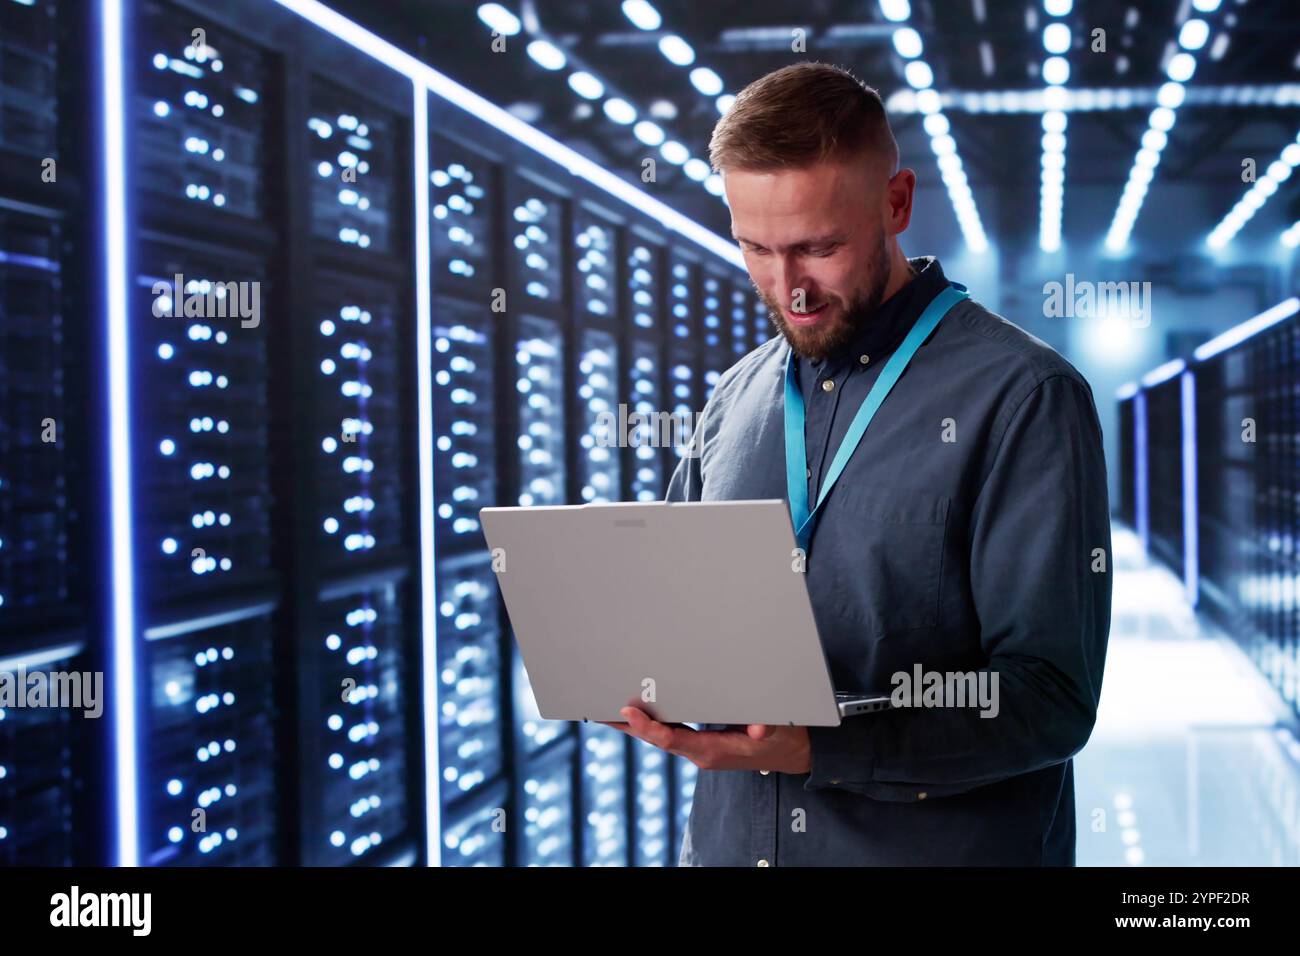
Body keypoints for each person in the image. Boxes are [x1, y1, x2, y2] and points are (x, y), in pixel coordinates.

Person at [600, 62, 1112, 866]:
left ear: (896, 203)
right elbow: (677, 618)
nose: (787, 288)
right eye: (756, 249)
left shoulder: (1023, 397)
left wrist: (823, 746)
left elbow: (1052, 701)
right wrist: (630, 667)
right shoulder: (735, 398)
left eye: (818, 248)